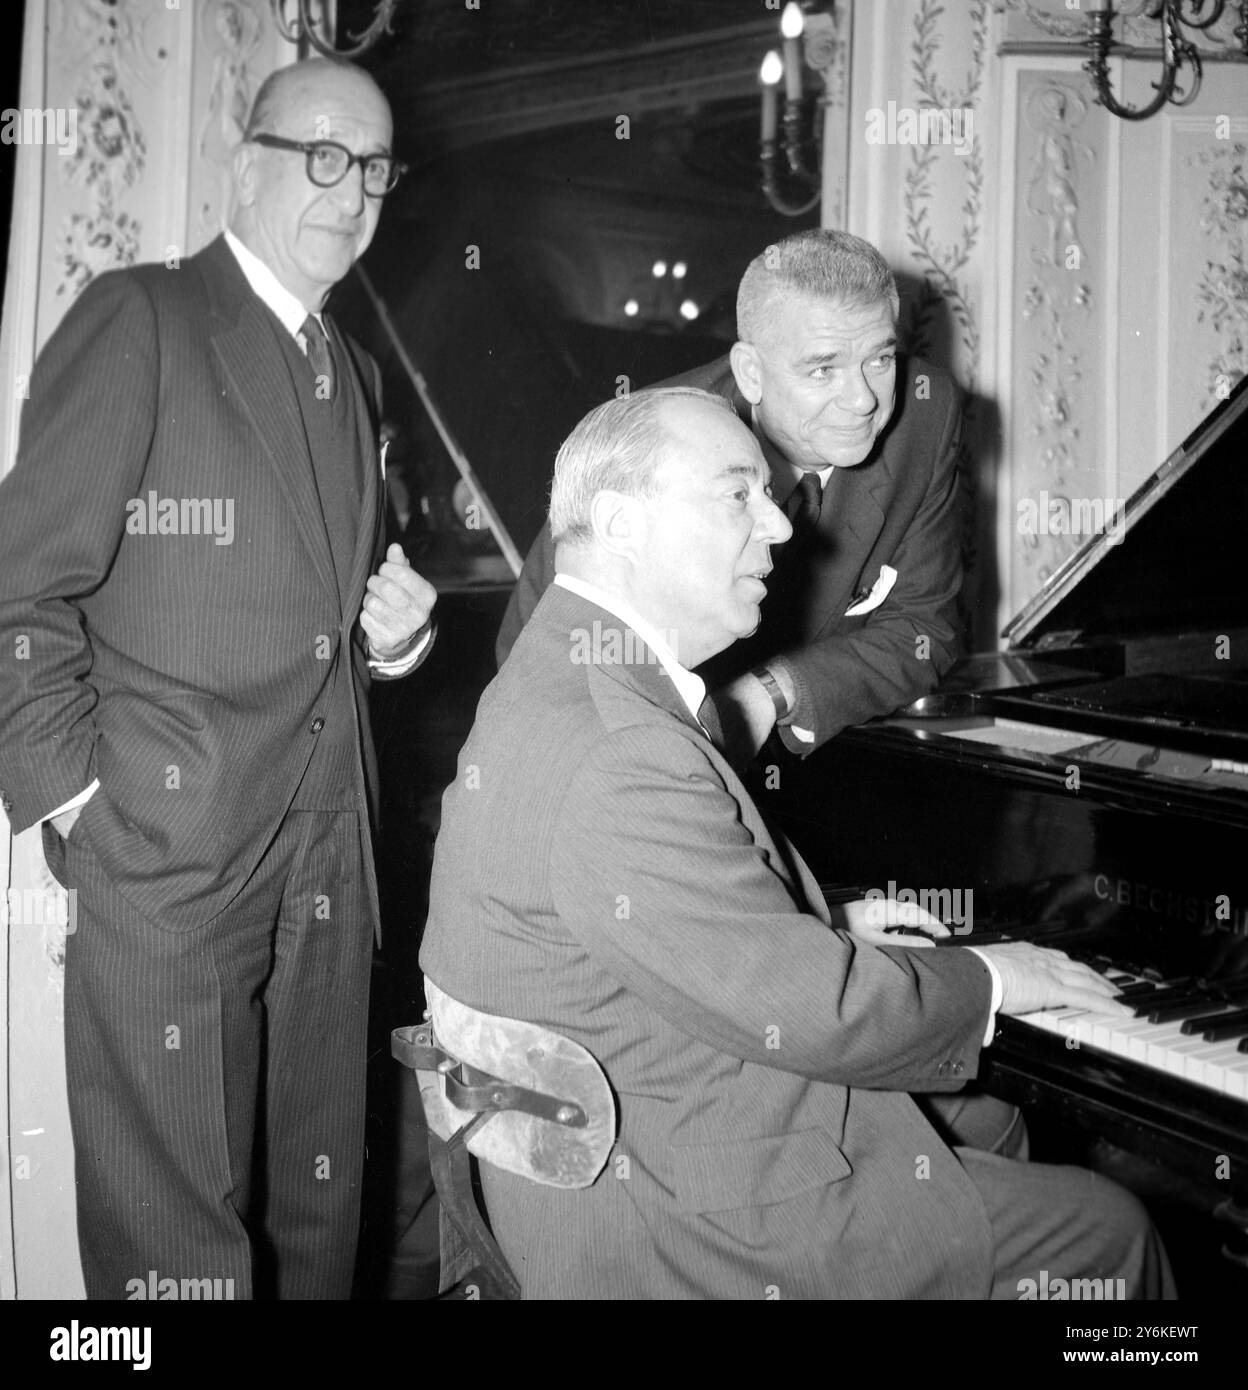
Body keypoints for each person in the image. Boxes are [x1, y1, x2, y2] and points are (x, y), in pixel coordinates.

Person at [420, 388, 1173, 1300]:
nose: (780, 525)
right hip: (685, 1228)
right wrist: (1002, 975)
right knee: (1109, 1231)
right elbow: (825, 1012)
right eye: (738, 495)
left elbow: (654, 920)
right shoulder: (622, 749)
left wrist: (835, 920)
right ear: (620, 522)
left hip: (620, 1123)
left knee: (987, 1121)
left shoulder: (556, 674)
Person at [0, 58, 436, 1299]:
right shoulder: (141, 317)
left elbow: (313, 623)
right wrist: (78, 805)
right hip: (169, 857)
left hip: (326, 859)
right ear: (246, 162)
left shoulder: (351, 371)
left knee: (320, 1215)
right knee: (176, 1250)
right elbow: (17, 586)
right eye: (324, 156)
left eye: (377, 170)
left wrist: (389, 644)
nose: (353, 192)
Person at [495, 229, 964, 759]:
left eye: (879, 360)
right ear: (749, 373)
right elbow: (537, 646)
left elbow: (926, 628)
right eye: (823, 368)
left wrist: (773, 691)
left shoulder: (925, 414)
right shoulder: (644, 445)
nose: (861, 400)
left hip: (824, 750)